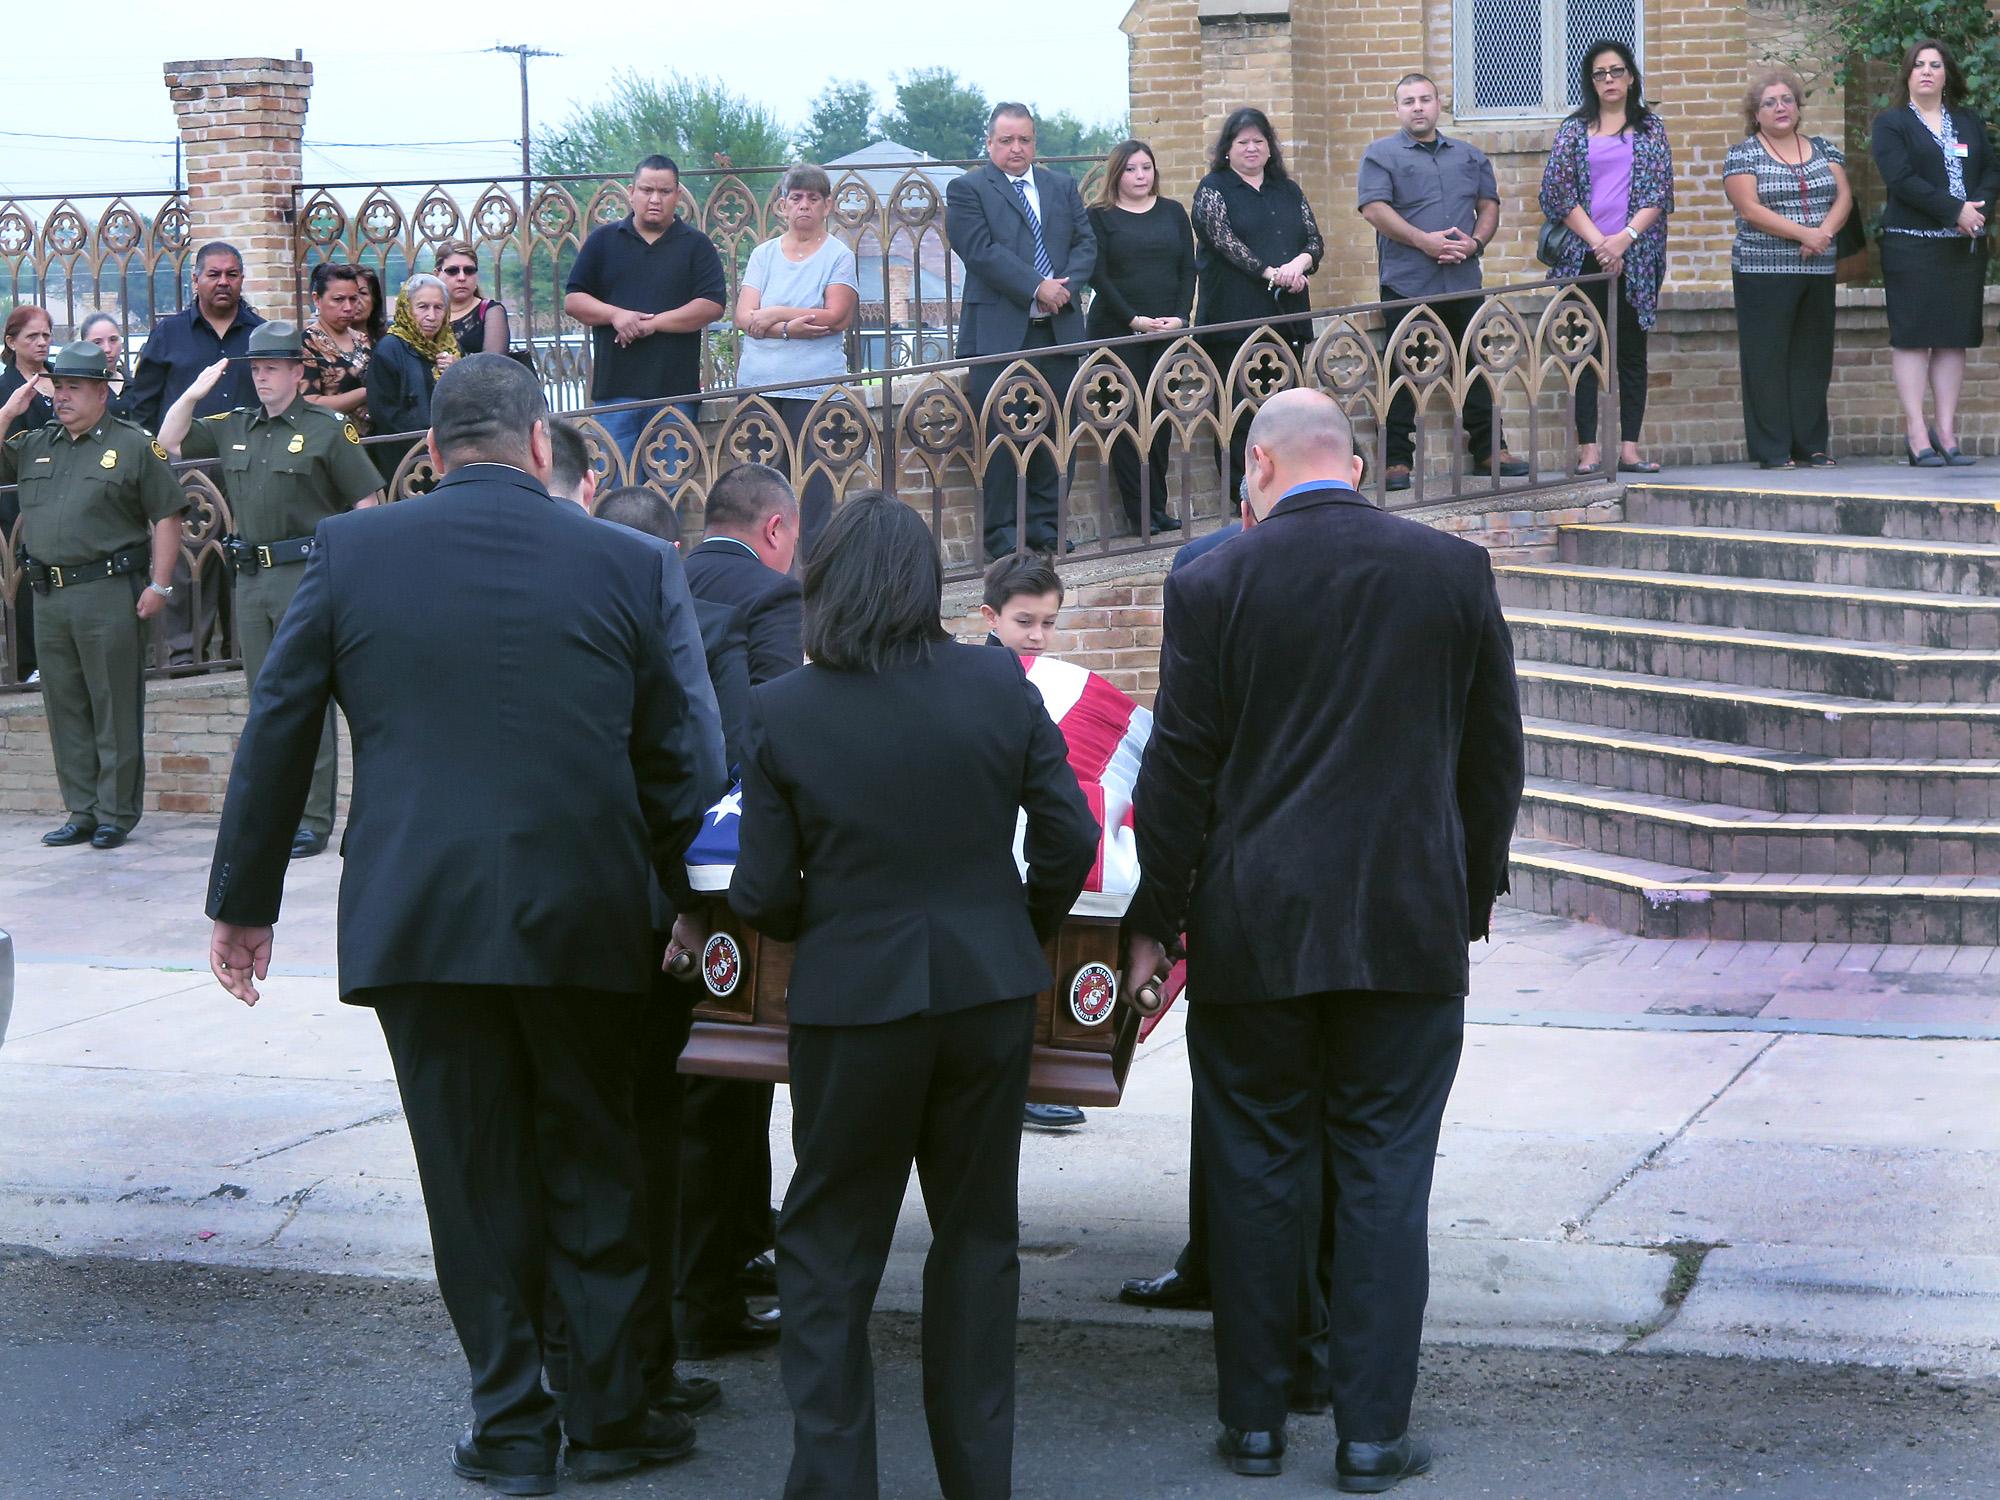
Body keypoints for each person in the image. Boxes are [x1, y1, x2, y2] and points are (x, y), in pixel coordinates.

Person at [206, 354, 727, 1497]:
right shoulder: (634, 563)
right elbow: (685, 759)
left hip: (418, 918)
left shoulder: (352, 553)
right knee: (592, 1158)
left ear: (428, 456)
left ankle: (506, 1423)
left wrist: (244, 904)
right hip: (587, 914)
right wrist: (694, 908)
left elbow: (278, 727)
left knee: (468, 1172)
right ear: (543, 448)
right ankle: (604, 1421)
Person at [1125, 388, 1522, 1492]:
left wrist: (1157, 917)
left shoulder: (1211, 578)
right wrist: (1469, 894)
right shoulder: (1449, 570)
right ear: (1350, 464)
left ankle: (1252, 1423)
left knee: (1256, 1167)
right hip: (1403, 919)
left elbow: (1178, 771)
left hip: (1256, 922)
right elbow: (1492, 757)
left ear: (1256, 465)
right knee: (1386, 1172)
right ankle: (1368, 1435)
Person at [720, 490, 1099, 1500]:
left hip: (854, 1002)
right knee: (976, 1244)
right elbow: (1067, 836)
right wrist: (1011, 927)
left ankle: (837, 1481)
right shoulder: (994, 683)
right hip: (984, 993)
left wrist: (827, 927)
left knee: (828, 1248)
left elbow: (758, 891)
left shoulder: (786, 706)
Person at [540, 417, 733, 1426]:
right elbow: (685, 763)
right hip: (626, 919)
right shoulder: (642, 588)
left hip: (550, 914)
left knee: (566, 1156)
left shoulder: (532, 590)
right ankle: (629, 1375)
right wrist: (689, 906)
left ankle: (579, 1368)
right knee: (628, 1157)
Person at [157, 322, 382, 860]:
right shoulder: (235, 426)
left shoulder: (328, 429)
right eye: (255, 369)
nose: (261, 378)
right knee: (266, 701)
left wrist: (355, 579)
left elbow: (367, 505)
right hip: (251, 578)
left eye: (271, 368)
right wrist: (192, 392)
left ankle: (314, 818)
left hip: (306, 573)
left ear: (297, 372)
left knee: (306, 697)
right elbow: (167, 441)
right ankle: (279, 812)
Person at [675, 460, 804, 1361]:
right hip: (725, 864)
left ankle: (738, 1243)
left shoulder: (659, 575)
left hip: (654, 854)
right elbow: (771, 731)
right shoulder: (769, 594)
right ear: (775, 529)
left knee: (710, 1069)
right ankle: (708, 1289)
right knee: (728, 1081)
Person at [0, 342, 186, 849]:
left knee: (113, 703)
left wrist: (160, 584)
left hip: (107, 590)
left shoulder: (131, 445)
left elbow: (167, 513)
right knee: (64, 705)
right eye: (57, 387)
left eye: (73, 388)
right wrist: (9, 411)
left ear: (101, 393)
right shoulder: (38, 442)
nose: (61, 397)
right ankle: (81, 809)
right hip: (49, 593)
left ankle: (115, 813)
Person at [1359, 74, 1529, 490]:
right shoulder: (1380, 155)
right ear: (1397, 109)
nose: (1417, 107)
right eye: (1408, 101)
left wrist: (1475, 243)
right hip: (1408, 283)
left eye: (1425, 99)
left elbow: (1489, 205)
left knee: (1474, 367)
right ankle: (1396, 460)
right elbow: (1373, 208)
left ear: (1439, 104)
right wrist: (1424, 242)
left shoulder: (1469, 156)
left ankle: (1491, 450)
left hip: (1463, 280)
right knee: (1401, 372)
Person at [945, 103, 1097, 561]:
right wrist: (1037, 287)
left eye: (1025, 140)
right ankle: (1003, 536)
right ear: (990, 144)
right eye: (1007, 140)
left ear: (1035, 143)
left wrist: (1063, 288)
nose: (1016, 149)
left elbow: (1085, 242)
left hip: (1058, 329)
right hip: (1000, 334)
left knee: (1058, 434)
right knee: (1002, 435)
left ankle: (1047, 528)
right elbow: (980, 251)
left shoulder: (1060, 186)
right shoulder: (968, 188)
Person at [978, 553, 1091, 1132]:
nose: (1039, 636)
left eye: (1049, 623)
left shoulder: (1040, 680)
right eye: (1026, 622)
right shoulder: (987, 683)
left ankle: (1027, 1081)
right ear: (988, 617)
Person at [1537, 40, 1675, 476]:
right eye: (1601, 74)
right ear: (1591, 82)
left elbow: (1660, 192)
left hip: (1637, 257)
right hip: (1584, 254)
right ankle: (1589, 450)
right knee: (1583, 352)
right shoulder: (1574, 129)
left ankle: (1630, 448)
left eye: (1617, 71)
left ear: (1631, 77)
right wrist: (1602, 242)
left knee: (1631, 353)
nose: (1610, 80)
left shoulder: (1652, 128)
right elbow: (1557, 193)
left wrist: (1625, 239)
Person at [128, 241, 266, 667]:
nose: (223, 282)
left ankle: (240, 654)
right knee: (190, 569)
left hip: (247, 469)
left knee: (243, 560)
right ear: (196, 280)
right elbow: (142, 406)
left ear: (242, 278)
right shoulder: (169, 334)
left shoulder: (259, 333)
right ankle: (186, 659)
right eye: (214, 274)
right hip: (186, 473)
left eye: (231, 274)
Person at [1872, 38, 2000, 467]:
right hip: (1912, 245)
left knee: (1952, 338)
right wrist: (1954, 210)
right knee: (1913, 337)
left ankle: (1946, 433)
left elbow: (1990, 168)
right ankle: (1916, 433)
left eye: (1936, 65)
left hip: (1961, 250)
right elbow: (1901, 178)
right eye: (1919, 65)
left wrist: (1975, 211)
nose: (1927, 71)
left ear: (1947, 76)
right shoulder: (1891, 124)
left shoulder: (1967, 121)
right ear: (1907, 75)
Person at [1193, 107, 1324, 502]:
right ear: (1227, 150)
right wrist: (1271, 273)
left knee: (1285, 408)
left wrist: (1299, 264)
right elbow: (1222, 241)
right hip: (1234, 318)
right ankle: (1246, 494)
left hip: (1286, 315)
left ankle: (1287, 487)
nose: (1251, 148)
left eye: (1259, 142)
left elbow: (1314, 240)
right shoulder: (1214, 188)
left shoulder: (1287, 189)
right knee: (1239, 412)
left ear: (1270, 148)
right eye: (1242, 142)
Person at [1724, 67, 1852, 471]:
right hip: (1762, 269)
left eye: (1787, 100)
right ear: (1756, 114)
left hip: (1817, 268)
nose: (1780, 107)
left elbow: (1844, 196)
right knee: (1767, 358)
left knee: (1812, 358)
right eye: (1769, 103)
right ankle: (1773, 448)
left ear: (1798, 107)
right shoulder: (1743, 154)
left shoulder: (1826, 150)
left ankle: (1811, 445)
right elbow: (1749, 208)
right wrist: (1804, 234)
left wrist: (1824, 234)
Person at [564, 155, 728, 461]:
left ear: (678, 196)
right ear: (631, 192)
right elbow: (574, 300)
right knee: (617, 493)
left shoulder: (696, 245)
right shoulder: (603, 241)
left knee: (671, 490)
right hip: (615, 394)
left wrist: (652, 324)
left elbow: (712, 306)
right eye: (647, 190)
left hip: (676, 393)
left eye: (665, 192)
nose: (655, 199)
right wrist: (616, 315)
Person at [733, 163, 860, 556]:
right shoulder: (763, 254)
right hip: (759, 386)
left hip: (815, 391)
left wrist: (772, 314)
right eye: (796, 198)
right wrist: (789, 325)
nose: (804, 205)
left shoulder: (838, 255)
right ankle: (762, 567)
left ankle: (811, 575)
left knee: (813, 489)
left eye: (813, 198)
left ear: (827, 206)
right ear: (782, 205)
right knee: (761, 488)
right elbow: (742, 316)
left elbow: (835, 316)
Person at [1087, 139, 1192, 536]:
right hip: (1118, 333)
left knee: (1161, 421)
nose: (1140, 176)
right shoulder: (1099, 216)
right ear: (1117, 174)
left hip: (1165, 333)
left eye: (1146, 167)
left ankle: (1159, 508)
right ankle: (1139, 514)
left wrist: (1181, 317)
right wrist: (1133, 319)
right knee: (1126, 422)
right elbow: (1098, 275)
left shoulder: (1172, 212)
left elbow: (1187, 268)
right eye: (1131, 169)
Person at [1, 306, 55, 682]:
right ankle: (28, 663)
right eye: (32, 336)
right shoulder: (5, 388)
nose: (41, 343)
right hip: (17, 499)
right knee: (22, 576)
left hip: (62, 492)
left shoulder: (62, 379)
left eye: (46, 336)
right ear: (11, 342)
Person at [365, 273, 458, 484]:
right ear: (407, 309)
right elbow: (385, 412)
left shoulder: (450, 345)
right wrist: (429, 438)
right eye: (423, 307)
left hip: (449, 454)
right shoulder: (389, 349)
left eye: (438, 307)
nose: (432, 316)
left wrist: (456, 371)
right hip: (406, 460)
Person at [301, 262, 373, 424]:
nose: (348, 307)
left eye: (353, 299)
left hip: (373, 439)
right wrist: (365, 393)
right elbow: (310, 403)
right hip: (331, 440)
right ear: (317, 300)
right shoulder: (307, 343)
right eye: (338, 299)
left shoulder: (363, 340)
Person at [437, 240, 512, 357]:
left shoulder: (491, 311)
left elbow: (494, 363)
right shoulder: (427, 312)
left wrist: (458, 364)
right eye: (452, 271)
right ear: (437, 274)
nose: (462, 277)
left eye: (469, 270)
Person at [78, 313, 133, 420]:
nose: (107, 349)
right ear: (84, 346)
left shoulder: (135, 386)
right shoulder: (77, 387)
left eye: (113, 340)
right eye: (97, 342)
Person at [354, 265, 389, 346]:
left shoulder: (388, 340)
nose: (356, 300)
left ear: (375, 299)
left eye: (363, 293)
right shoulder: (324, 343)